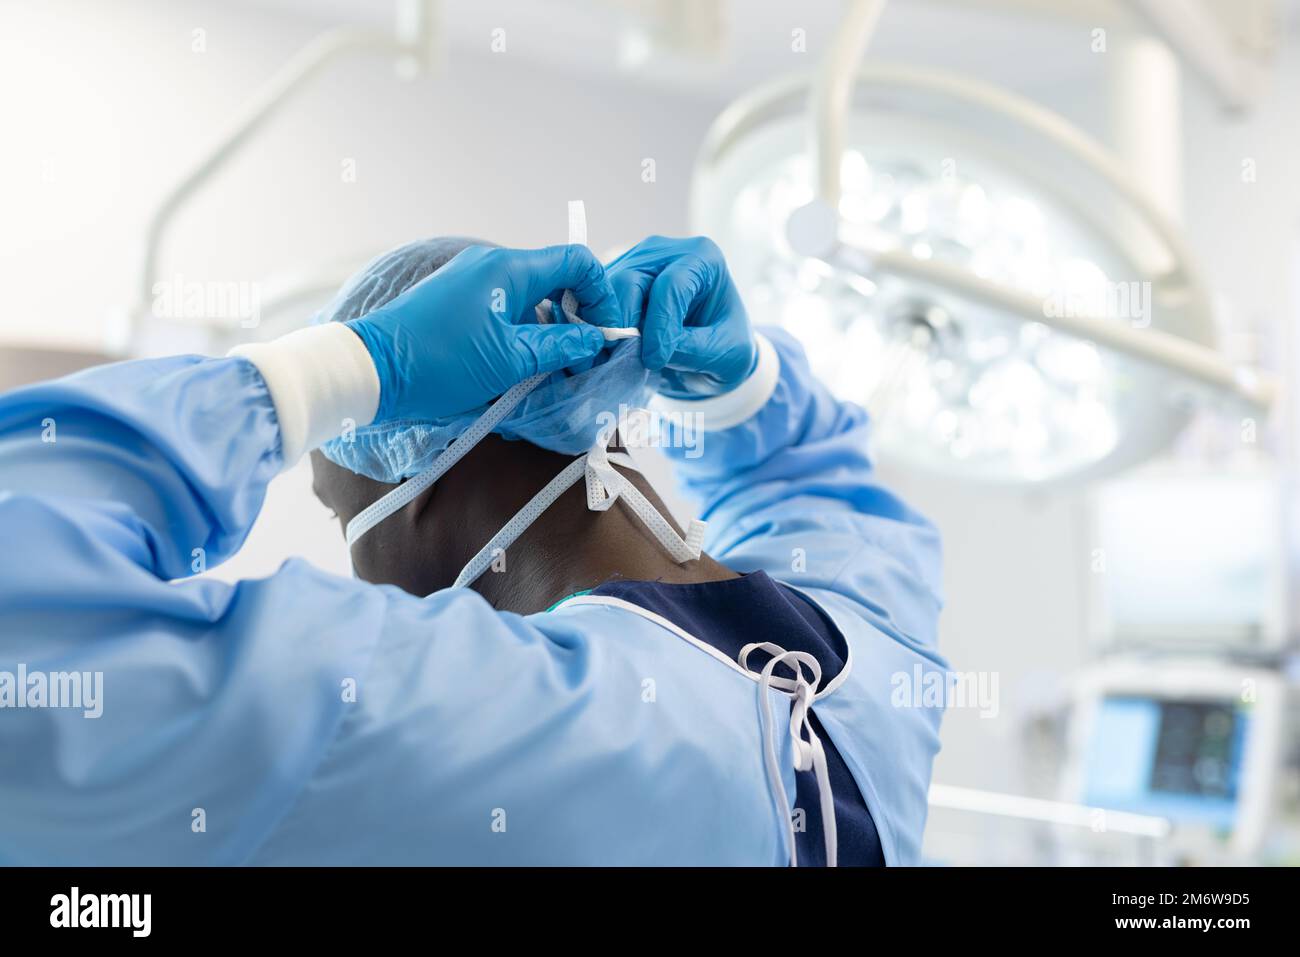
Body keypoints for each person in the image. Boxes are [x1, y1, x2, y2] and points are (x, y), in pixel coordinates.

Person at [0, 234, 946, 866]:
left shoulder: (449, 709)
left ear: (419, 495)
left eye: (340, 517)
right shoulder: (877, 654)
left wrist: (330, 375)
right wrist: (744, 385)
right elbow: (809, 472)